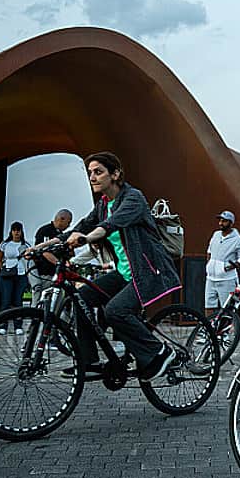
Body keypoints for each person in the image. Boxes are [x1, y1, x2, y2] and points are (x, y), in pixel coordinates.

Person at [64, 152, 180, 382]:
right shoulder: (103, 205)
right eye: (90, 173)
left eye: (98, 172)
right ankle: (90, 362)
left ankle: (160, 352)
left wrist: (86, 239)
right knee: (82, 298)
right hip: (125, 273)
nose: (92, 177)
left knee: (115, 311)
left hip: (149, 272)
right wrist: (44, 245)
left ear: (115, 174)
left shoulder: (133, 198)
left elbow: (110, 225)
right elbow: (81, 226)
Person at [205, 210, 240, 316]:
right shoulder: (216, 235)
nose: (220, 223)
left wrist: (230, 267)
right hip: (211, 278)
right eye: (220, 220)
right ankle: (208, 329)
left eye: (224, 221)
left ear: (231, 223)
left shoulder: (238, 240)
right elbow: (209, 251)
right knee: (209, 305)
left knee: (227, 307)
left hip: (226, 279)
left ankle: (227, 331)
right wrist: (209, 264)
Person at [29, 209, 72, 306]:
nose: (69, 225)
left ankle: (53, 320)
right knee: (41, 301)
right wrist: (60, 264)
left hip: (57, 274)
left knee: (58, 300)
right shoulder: (45, 231)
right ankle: (35, 319)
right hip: (45, 273)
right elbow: (44, 251)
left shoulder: (62, 235)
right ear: (61, 219)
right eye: (68, 222)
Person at [0, 222, 31, 334]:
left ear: (21, 232)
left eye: (18, 230)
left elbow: (29, 259)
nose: (16, 232)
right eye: (14, 230)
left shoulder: (26, 245)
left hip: (21, 275)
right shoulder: (5, 244)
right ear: (11, 232)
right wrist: (3, 269)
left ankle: (18, 326)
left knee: (18, 301)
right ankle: (3, 326)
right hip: (7, 275)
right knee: (6, 301)